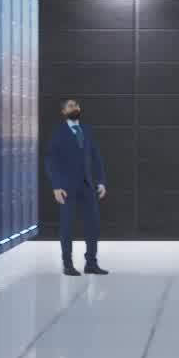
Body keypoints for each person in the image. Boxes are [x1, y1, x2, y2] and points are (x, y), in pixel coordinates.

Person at [46, 96, 109, 276]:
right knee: (67, 227)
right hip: (67, 188)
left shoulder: (86, 130)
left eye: (76, 105)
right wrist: (56, 186)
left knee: (93, 226)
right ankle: (68, 265)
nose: (75, 107)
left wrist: (101, 181)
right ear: (64, 112)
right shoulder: (59, 132)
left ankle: (91, 263)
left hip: (88, 186)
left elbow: (95, 157)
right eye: (70, 106)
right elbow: (51, 160)